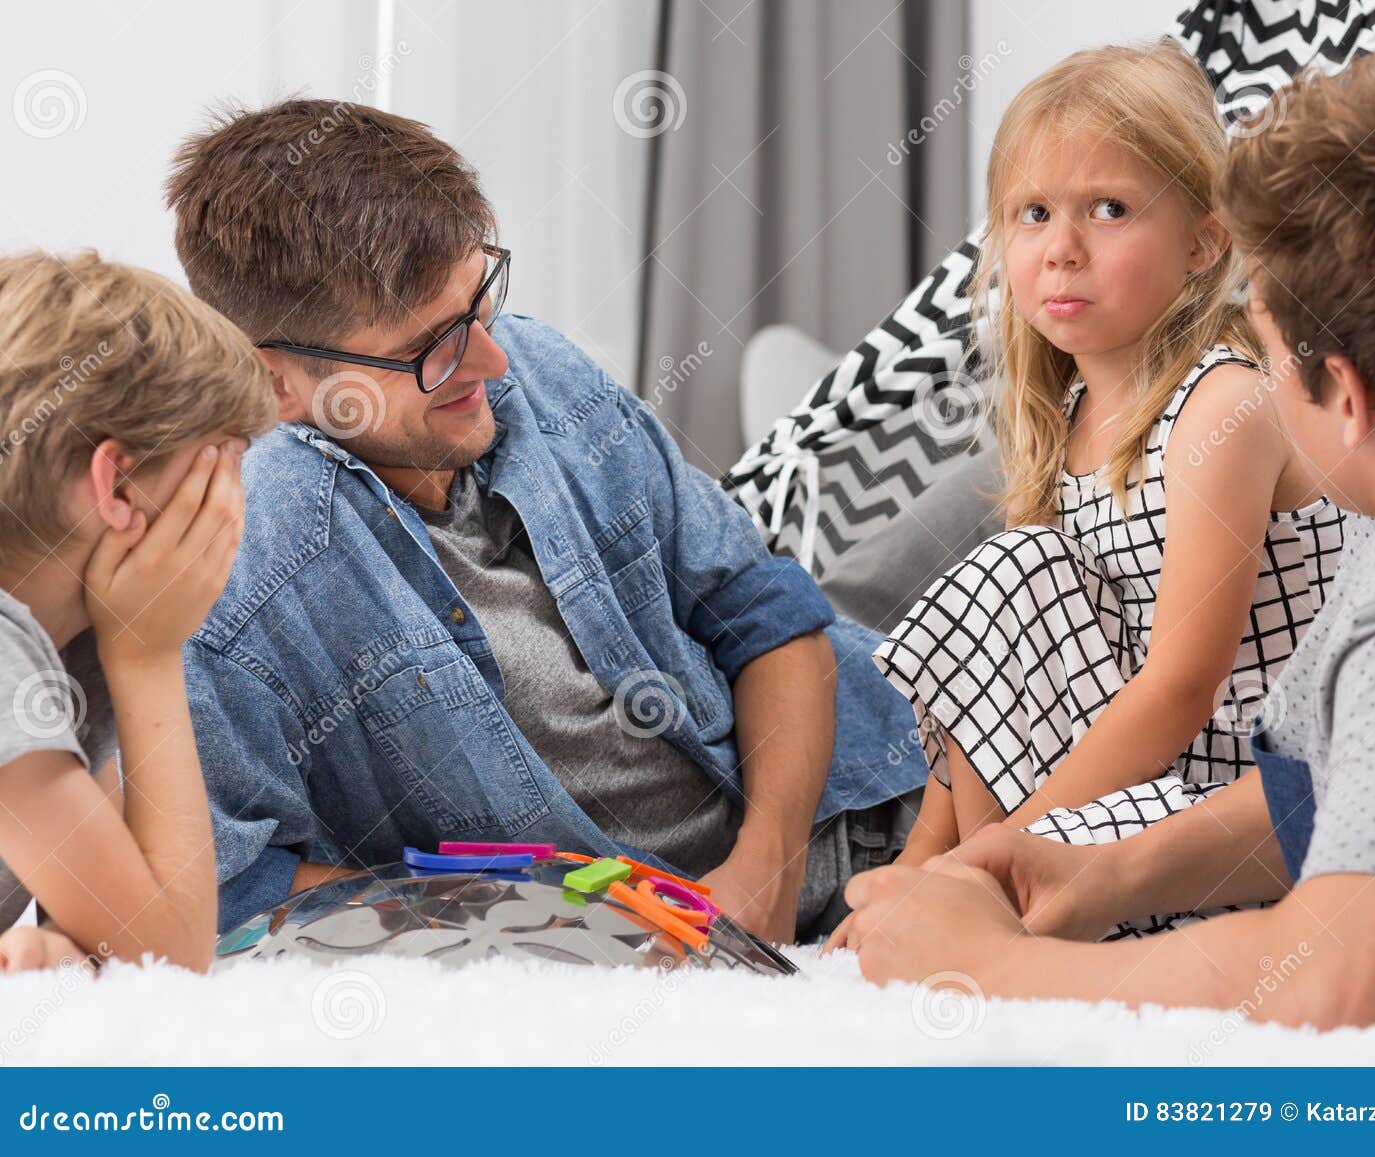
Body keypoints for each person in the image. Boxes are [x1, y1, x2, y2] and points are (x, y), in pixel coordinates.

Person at [842, 50, 1375, 1027]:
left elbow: (1354, 976)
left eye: (1265, 347)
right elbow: (1323, 784)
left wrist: (991, 965)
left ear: (1349, 400)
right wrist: (1104, 870)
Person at [164, 100, 925, 943]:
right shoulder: (239, 571)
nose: (493, 360)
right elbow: (235, 884)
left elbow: (765, 610)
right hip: (710, 942)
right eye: (429, 348)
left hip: (889, 789)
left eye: (478, 301)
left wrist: (769, 864)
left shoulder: (536, 366)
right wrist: (552, 925)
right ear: (276, 383)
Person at [870, 40, 1340, 880]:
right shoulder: (1067, 414)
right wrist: (924, 858)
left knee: (1016, 570)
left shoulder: (1221, 408)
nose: (1062, 247)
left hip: (1240, 806)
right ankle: (974, 890)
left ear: (1203, 243)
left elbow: (1181, 689)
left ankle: (995, 888)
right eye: (1033, 213)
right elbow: (989, 662)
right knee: (1013, 568)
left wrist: (996, 857)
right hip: (1131, 780)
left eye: (1110, 209)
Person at [0, 252, 275, 973]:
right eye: (225, 464)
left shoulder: (60, 645)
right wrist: (148, 655)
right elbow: (170, 962)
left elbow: (120, 922)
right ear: (118, 484)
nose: (237, 502)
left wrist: (69, 946)